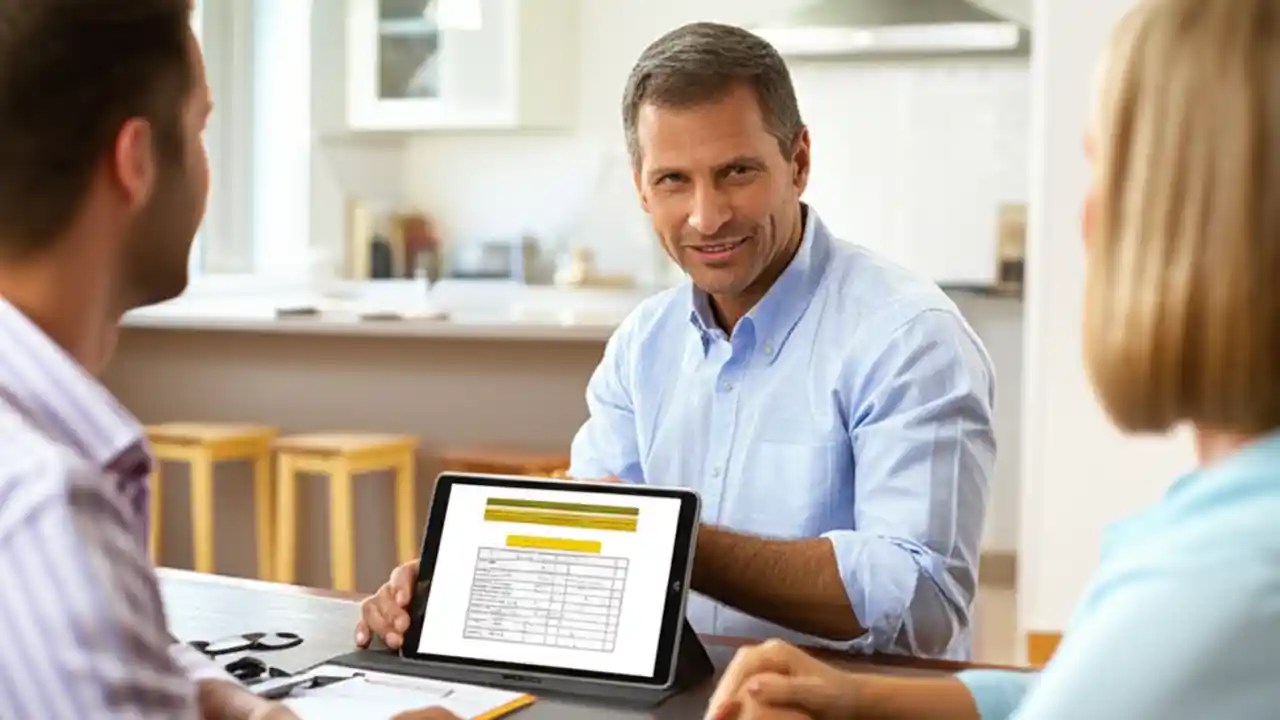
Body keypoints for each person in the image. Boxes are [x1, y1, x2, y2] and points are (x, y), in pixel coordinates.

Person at [704, 0, 1280, 717]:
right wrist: (859, 697)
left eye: (1104, 167)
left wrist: (680, 545)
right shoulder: (1227, 541)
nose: (1085, 215)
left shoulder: (1231, 571)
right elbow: (1072, 694)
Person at [357, 22, 996, 660]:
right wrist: (453, 588)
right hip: (676, 699)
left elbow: (922, 605)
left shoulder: (909, 337)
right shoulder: (642, 345)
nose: (706, 216)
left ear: (798, 163)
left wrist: (670, 538)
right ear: (641, 186)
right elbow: (594, 547)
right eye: (673, 181)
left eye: (736, 172)